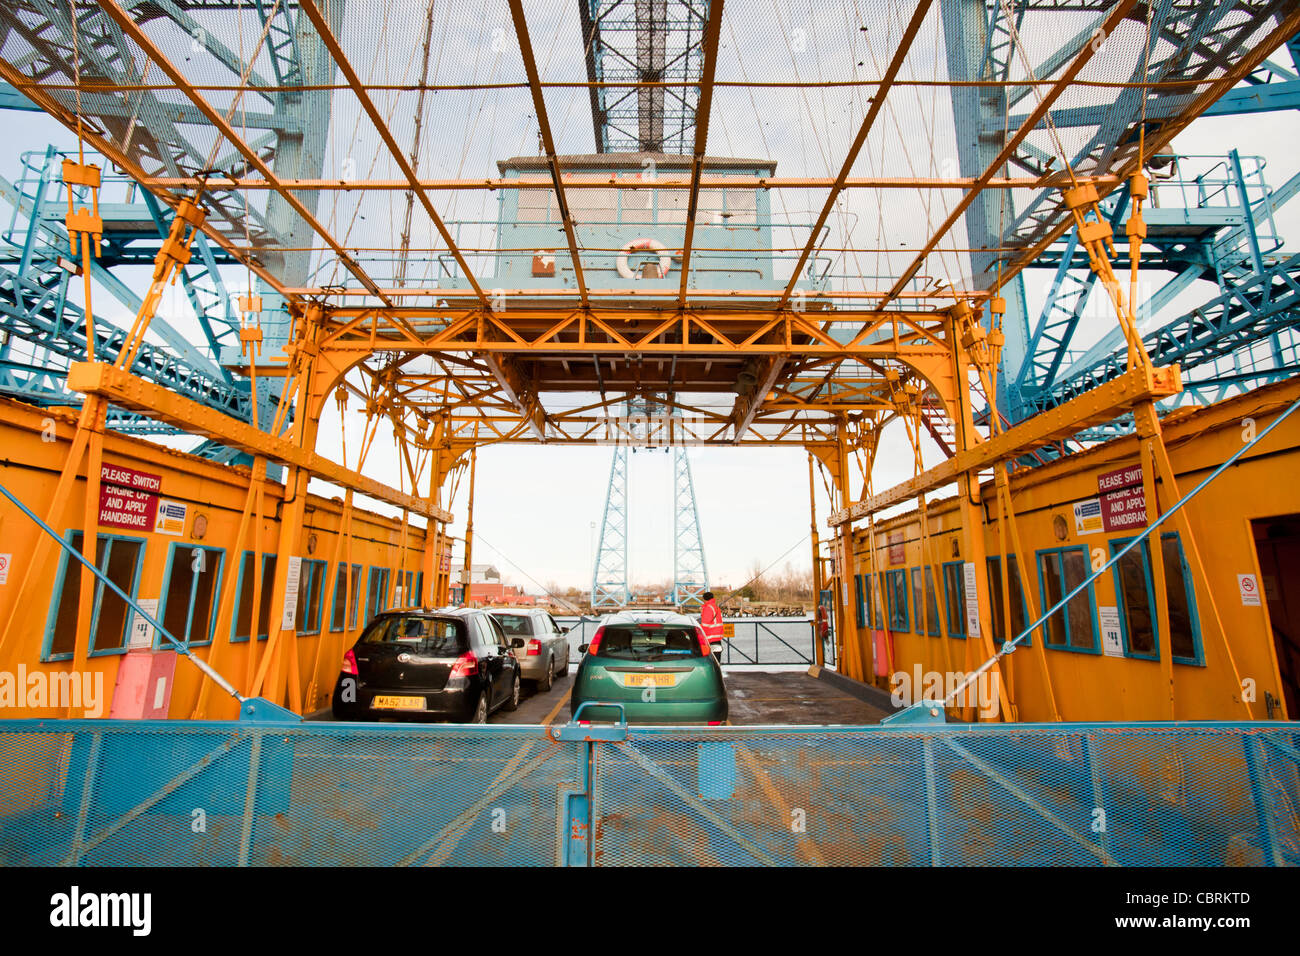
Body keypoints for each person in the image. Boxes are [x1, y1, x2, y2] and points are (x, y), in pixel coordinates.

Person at [699, 591, 725, 661]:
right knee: (717, 661)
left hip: (710, 638)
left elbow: (705, 624)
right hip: (717, 637)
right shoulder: (716, 607)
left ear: (704, 599)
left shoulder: (708, 608)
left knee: (710, 661)